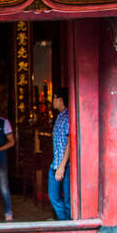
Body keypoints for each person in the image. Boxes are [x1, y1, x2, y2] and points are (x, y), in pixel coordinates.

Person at [49, 86, 71, 220]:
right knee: (54, 197)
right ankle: (64, 222)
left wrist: (62, 166)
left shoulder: (68, 117)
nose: (53, 101)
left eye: (54, 98)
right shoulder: (59, 117)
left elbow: (70, 143)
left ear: (60, 99)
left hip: (65, 165)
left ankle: (68, 225)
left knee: (68, 199)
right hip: (55, 163)